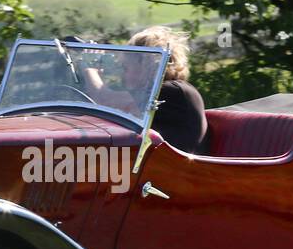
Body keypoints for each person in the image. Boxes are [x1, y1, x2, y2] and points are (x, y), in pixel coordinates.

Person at [80, 26, 207, 154]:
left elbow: (106, 100)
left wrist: (90, 68)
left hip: (178, 171)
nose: (122, 75)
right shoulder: (168, 92)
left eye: (126, 67)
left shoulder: (173, 92)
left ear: (147, 64)